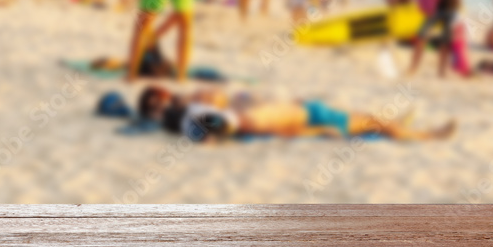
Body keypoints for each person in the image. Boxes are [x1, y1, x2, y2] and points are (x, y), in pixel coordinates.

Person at [137, 86, 456, 142]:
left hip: (305, 111)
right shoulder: (231, 117)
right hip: (310, 117)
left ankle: (400, 127)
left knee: (367, 117)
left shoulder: (228, 109)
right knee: (375, 121)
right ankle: (423, 134)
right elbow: (280, 129)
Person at [127, 0, 194, 82]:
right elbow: (176, 16)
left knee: (140, 26)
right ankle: (182, 75)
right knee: (185, 27)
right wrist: (156, 35)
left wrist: (152, 34)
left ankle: (131, 75)